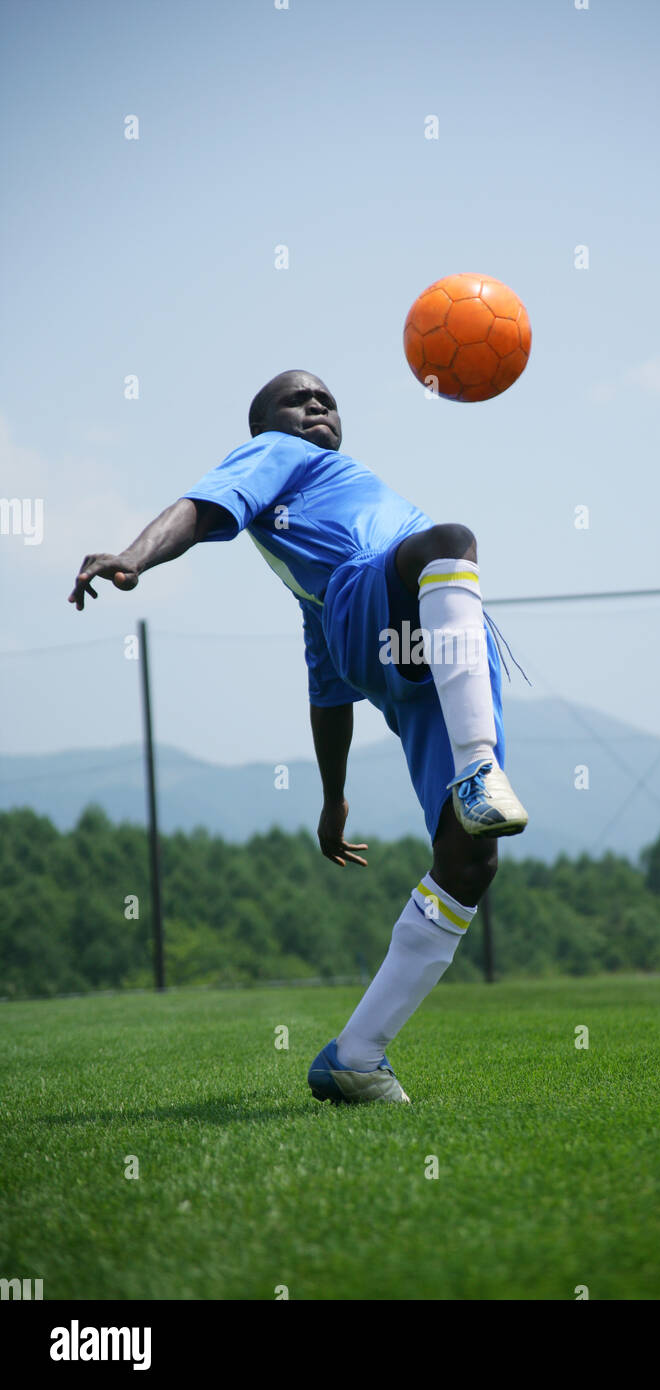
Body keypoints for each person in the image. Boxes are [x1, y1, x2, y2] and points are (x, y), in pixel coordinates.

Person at [69, 369, 528, 1104]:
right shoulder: (277, 455)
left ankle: (356, 1057)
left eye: (327, 398)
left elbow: (327, 688)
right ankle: (477, 767)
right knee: (450, 539)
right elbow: (195, 506)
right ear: (265, 429)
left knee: (471, 861)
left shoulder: (309, 557)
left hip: (422, 656)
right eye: (296, 398)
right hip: (382, 597)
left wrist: (334, 798)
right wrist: (135, 555)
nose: (316, 404)